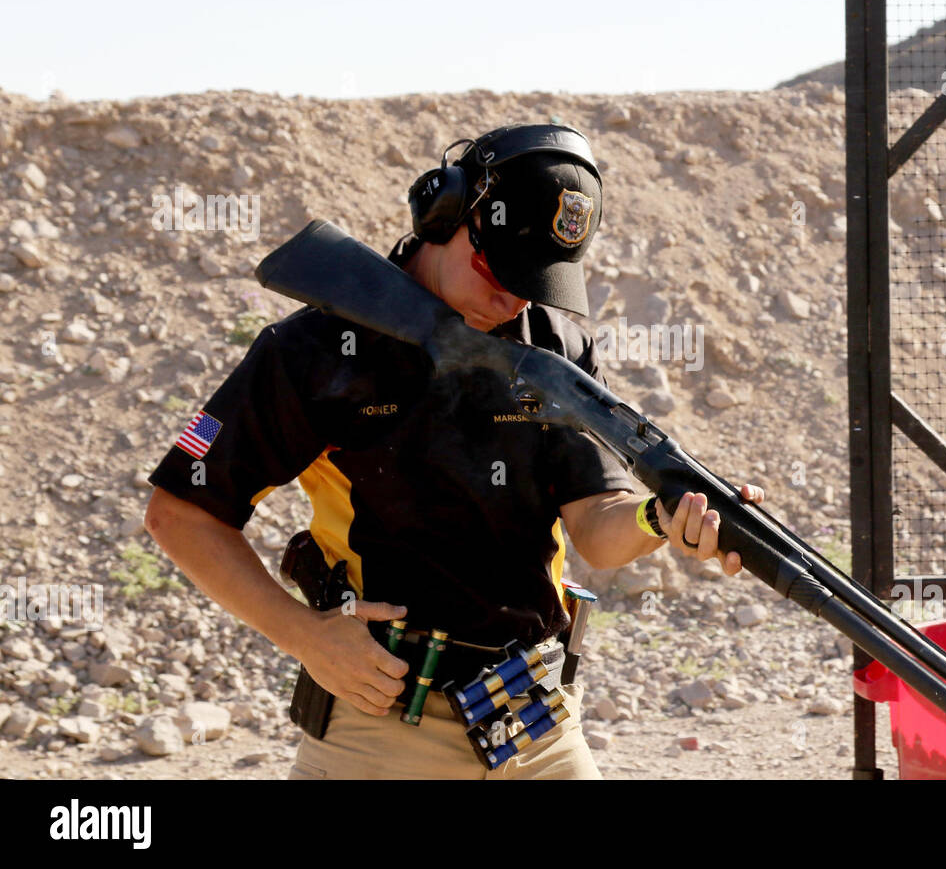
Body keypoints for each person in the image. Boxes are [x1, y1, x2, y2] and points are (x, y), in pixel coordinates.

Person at [143, 122, 766, 779]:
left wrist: (660, 519)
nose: (515, 297)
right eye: (500, 266)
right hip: (380, 725)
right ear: (445, 213)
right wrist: (306, 637)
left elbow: (598, 528)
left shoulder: (552, 345)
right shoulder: (320, 348)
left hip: (535, 722)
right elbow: (180, 513)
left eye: (539, 279)